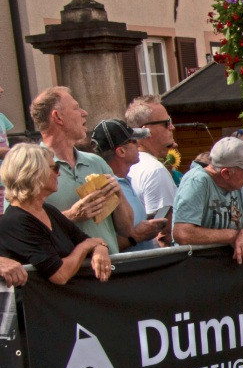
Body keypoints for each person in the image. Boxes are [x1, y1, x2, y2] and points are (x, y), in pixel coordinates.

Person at [33, 87, 134, 255]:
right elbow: (17, 231)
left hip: (112, 272)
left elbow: (127, 229)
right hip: (69, 277)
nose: (84, 113)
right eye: (76, 107)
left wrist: (118, 195)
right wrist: (72, 216)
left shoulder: (96, 162)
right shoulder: (29, 169)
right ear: (58, 117)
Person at [0, 143, 111, 284]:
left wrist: (100, 248)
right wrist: (86, 246)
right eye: (55, 168)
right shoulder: (17, 221)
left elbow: (86, 239)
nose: (59, 173)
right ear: (35, 172)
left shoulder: (48, 210)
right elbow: (60, 275)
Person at [172, 136, 243, 263]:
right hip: (196, 270)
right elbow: (182, 233)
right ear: (226, 173)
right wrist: (232, 235)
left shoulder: (235, 185)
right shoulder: (197, 181)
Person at [90, 119, 168, 252]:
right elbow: (102, 244)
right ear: (121, 152)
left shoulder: (124, 180)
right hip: (128, 270)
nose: (139, 145)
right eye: (133, 141)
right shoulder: (105, 188)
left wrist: (148, 223)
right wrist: (137, 236)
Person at [125, 95, 178, 217]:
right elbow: (162, 227)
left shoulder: (126, 166)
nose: (172, 127)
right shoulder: (155, 170)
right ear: (146, 130)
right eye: (167, 123)